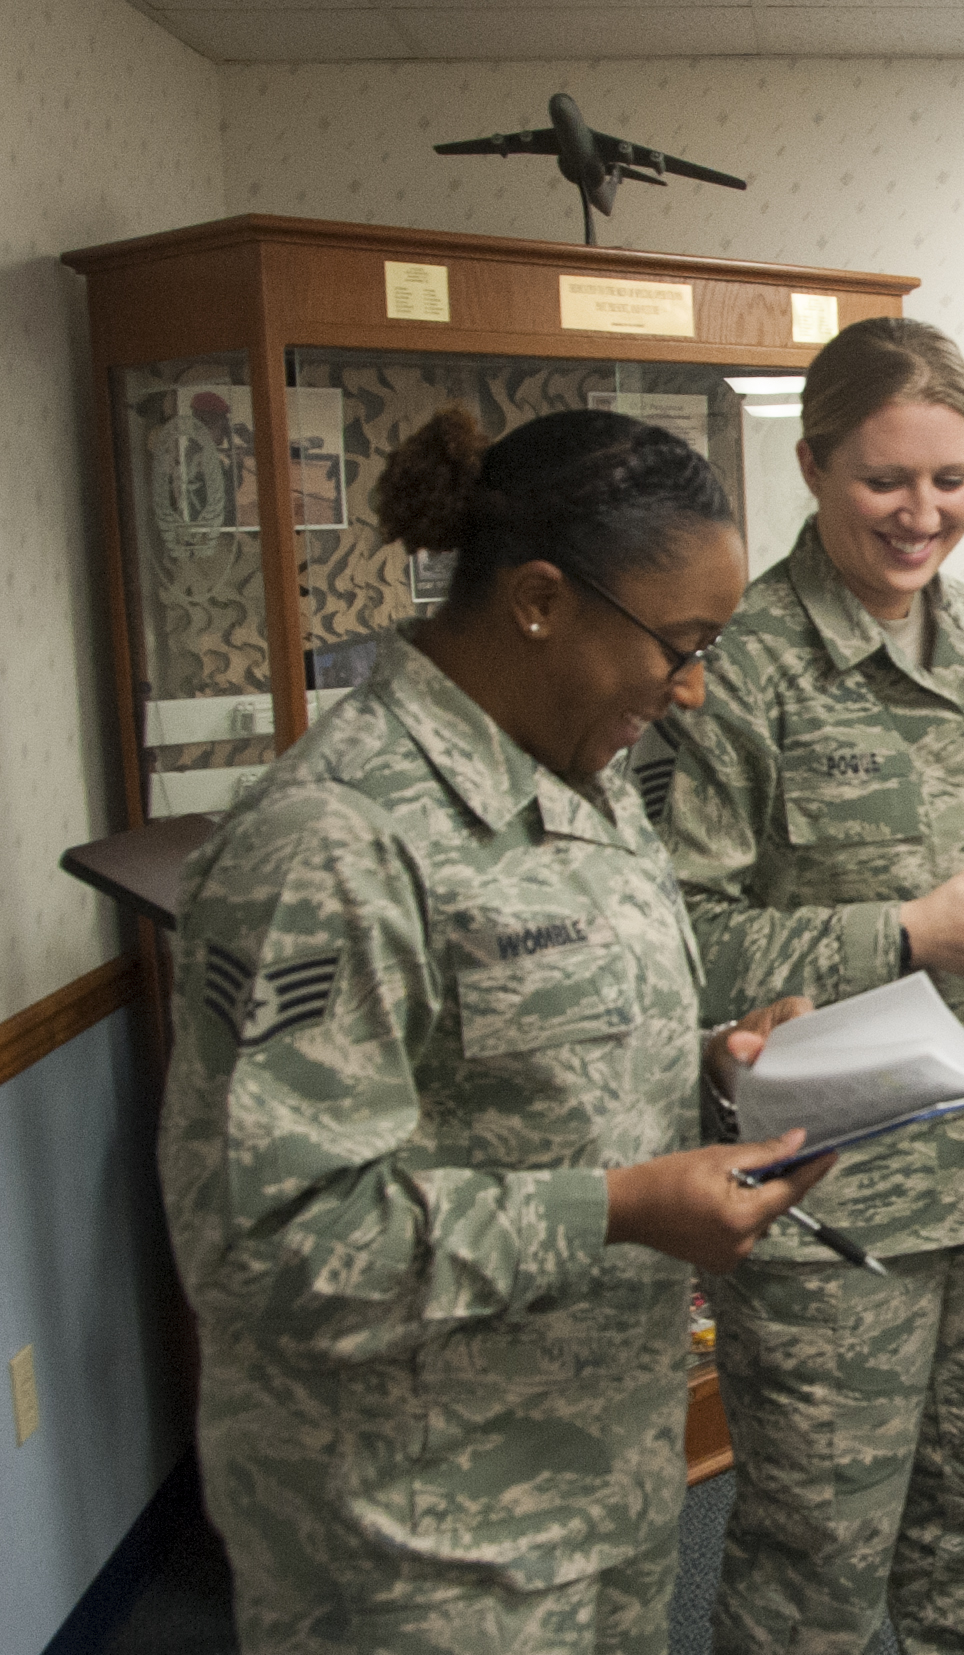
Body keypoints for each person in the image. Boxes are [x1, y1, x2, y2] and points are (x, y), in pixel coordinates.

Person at [158, 405, 834, 1655]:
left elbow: (536, 1066)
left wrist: (715, 1066)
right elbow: (268, 1248)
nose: (690, 691)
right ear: (537, 600)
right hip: (412, 1549)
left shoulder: (581, 781)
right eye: (678, 645)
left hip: (596, 1483)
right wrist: (623, 1206)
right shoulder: (334, 844)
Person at [657, 315, 964, 1655]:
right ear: (816, 465)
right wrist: (903, 930)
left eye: (952, 478)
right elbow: (680, 936)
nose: (921, 512)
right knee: (815, 1561)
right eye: (888, 479)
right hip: (836, 1197)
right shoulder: (733, 662)